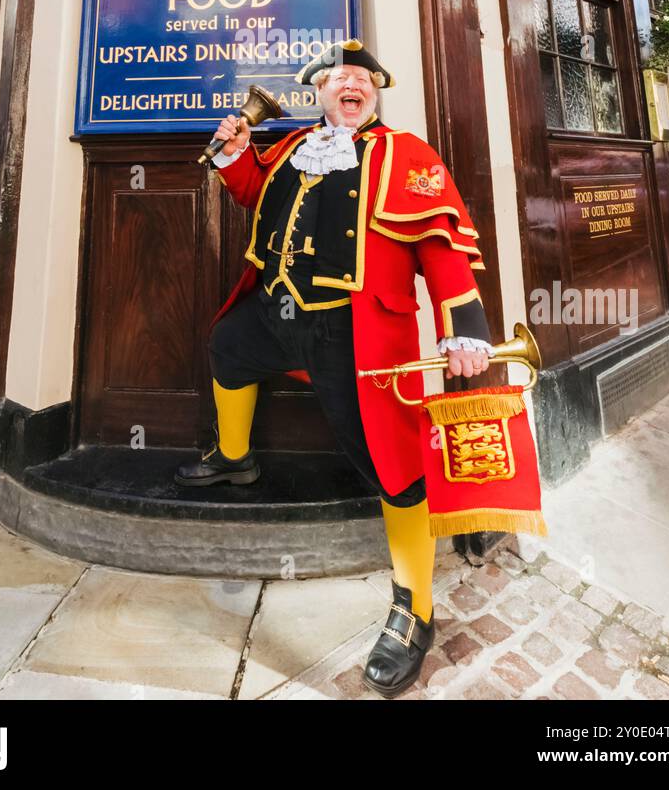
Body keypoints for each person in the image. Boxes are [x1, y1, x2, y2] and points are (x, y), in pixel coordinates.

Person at [175, 39, 494, 697]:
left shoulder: (408, 155)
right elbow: (257, 195)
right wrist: (236, 154)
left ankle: (415, 608)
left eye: (364, 79)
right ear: (319, 91)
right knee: (228, 345)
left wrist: (465, 330)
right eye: (340, 78)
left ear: (374, 92)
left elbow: (442, 246)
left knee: (393, 464)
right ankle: (235, 457)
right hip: (276, 311)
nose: (353, 85)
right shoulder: (294, 147)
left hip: (355, 331)